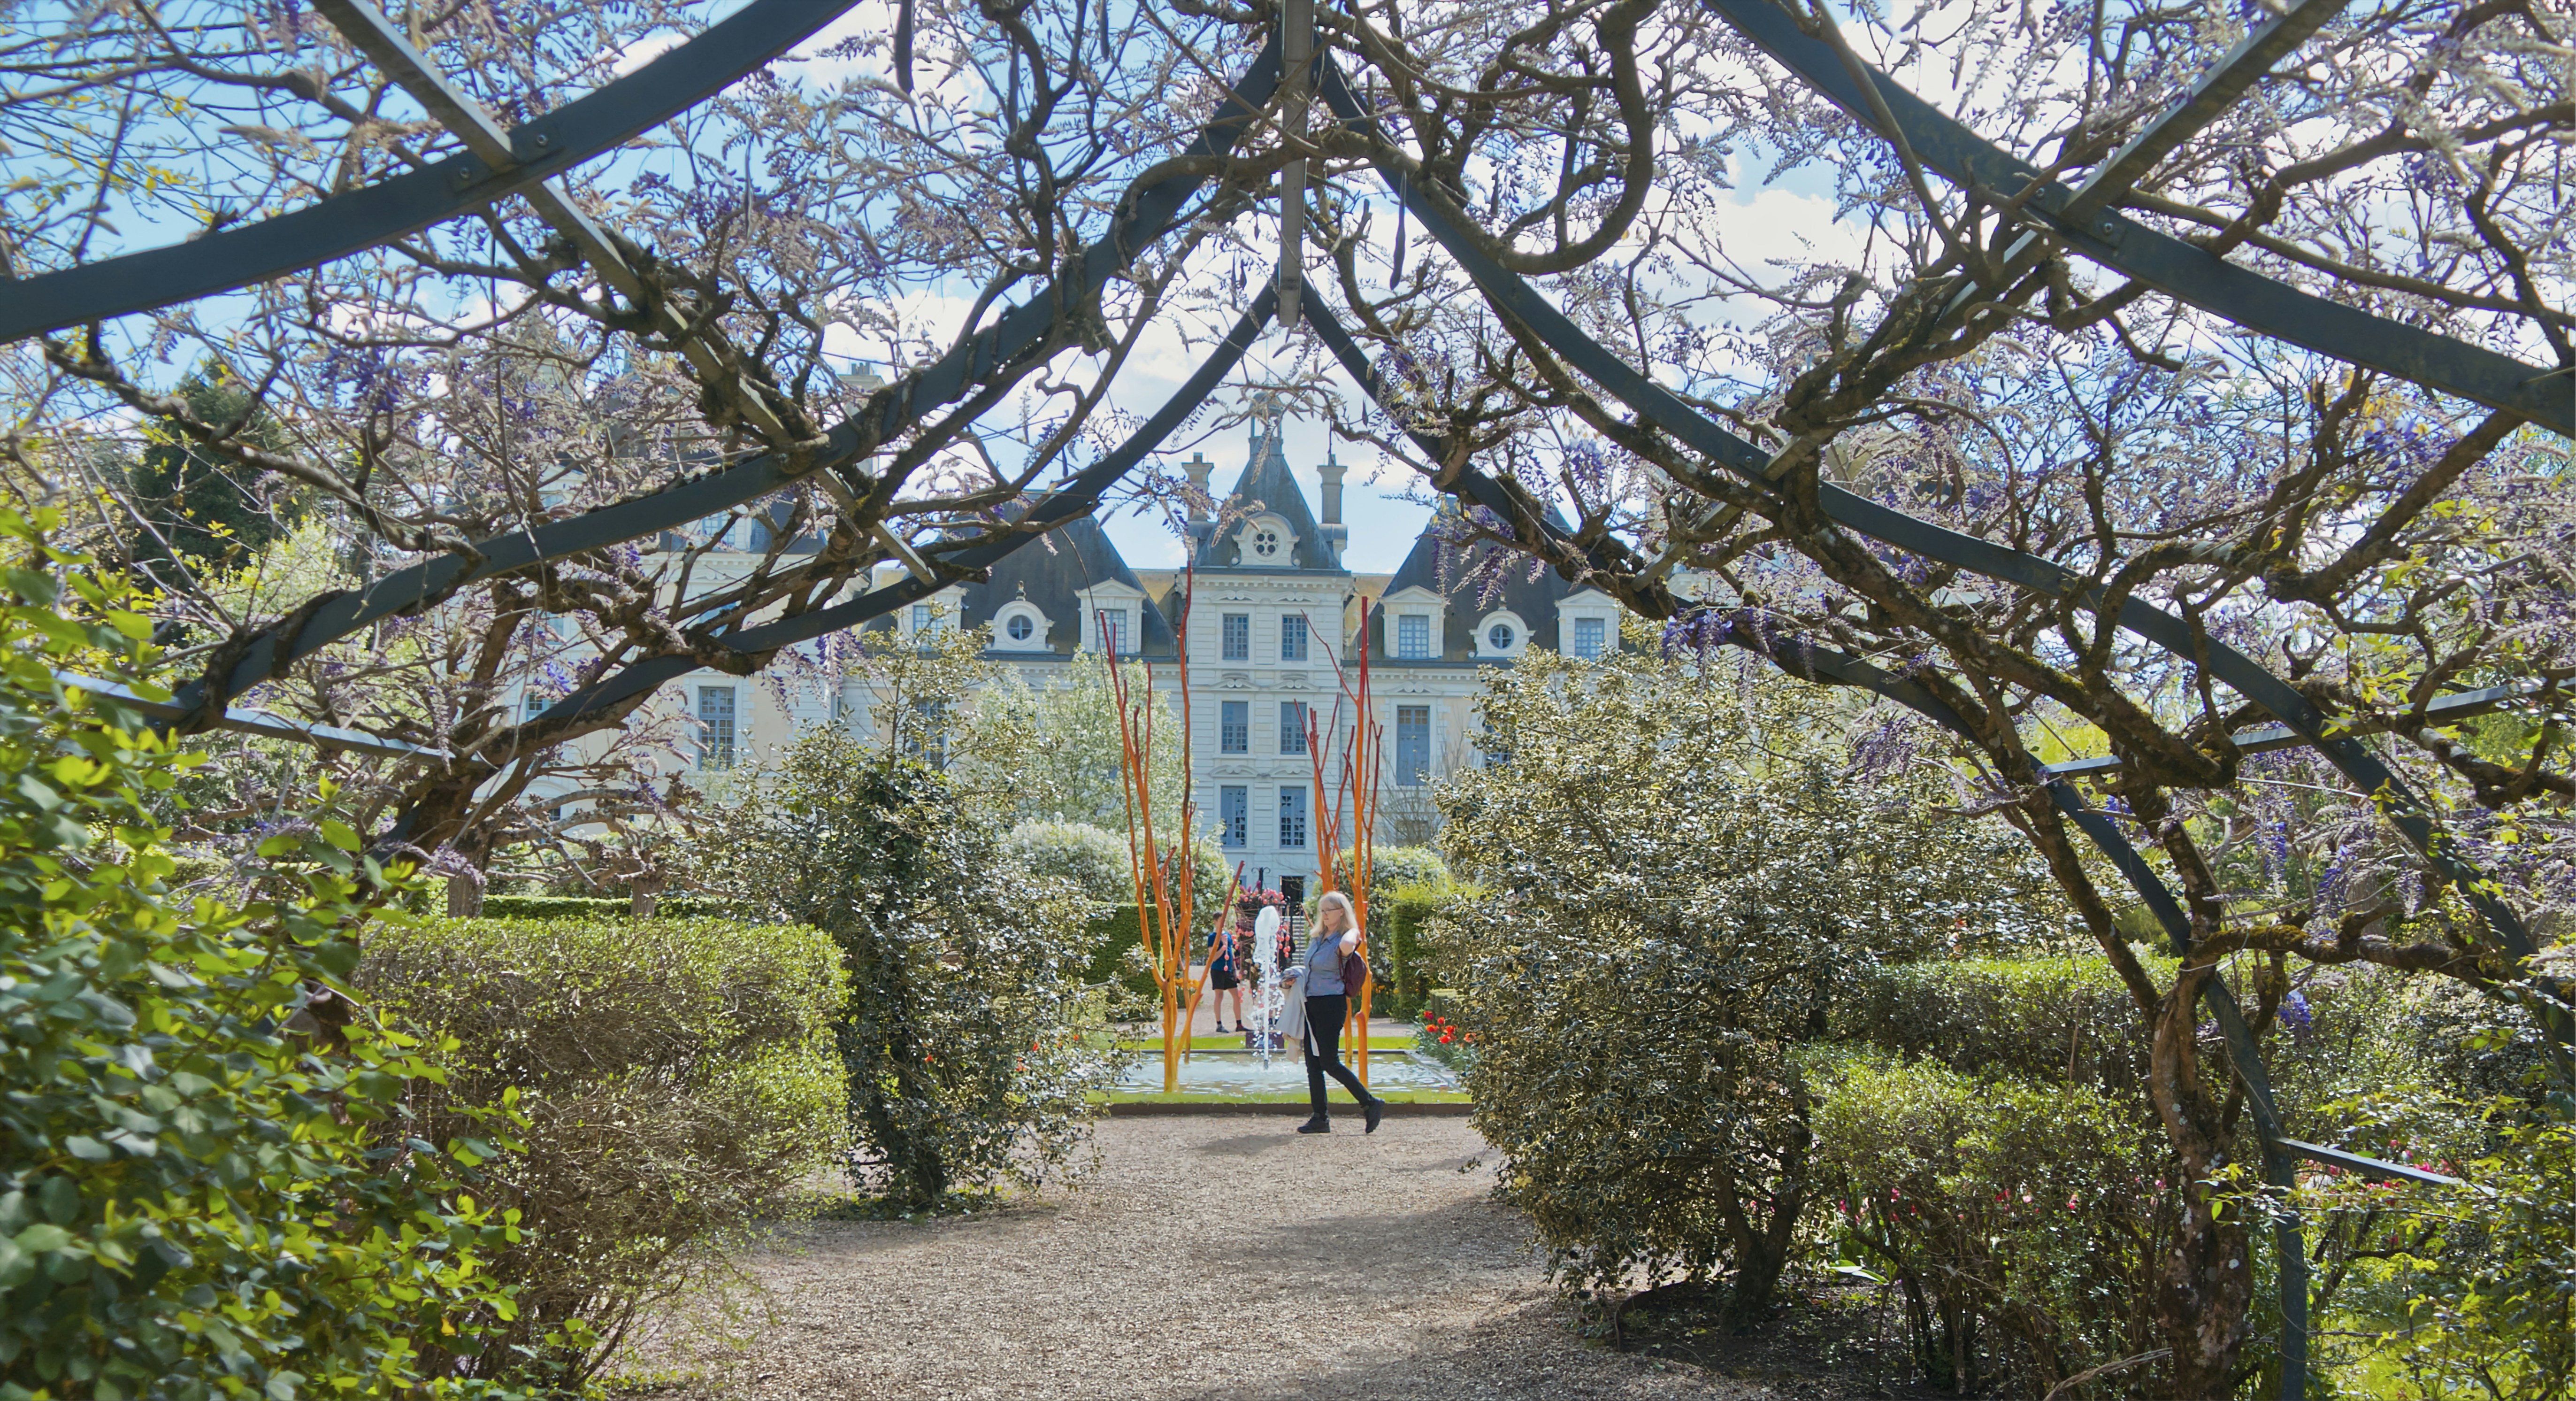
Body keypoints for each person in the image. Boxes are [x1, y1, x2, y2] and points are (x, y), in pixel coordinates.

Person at [1282, 890, 1384, 1134]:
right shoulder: (1317, 938)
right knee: (1313, 1064)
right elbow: (1311, 968)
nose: (1325, 915)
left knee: (1329, 1062)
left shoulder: (1345, 939)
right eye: (1322, 910)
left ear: (1342, 911)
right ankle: (1320, 1117)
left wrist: (1351, 926)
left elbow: (1351, 942)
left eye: (1330, 910)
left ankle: (1370, 1103)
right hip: (1311, 1004)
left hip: (1331, 1004)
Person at [1204, 920, 1245, 1032]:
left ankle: (1239, 1024)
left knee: (1236, 996)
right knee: (1219, 995)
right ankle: (1219, 1024)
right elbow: (1214, 957)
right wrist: (1224, 946)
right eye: (1221, 921)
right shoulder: (1213, 937)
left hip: (1229, 971)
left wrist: (1235, 971)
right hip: (1218, 970)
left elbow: (1231, 953)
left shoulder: (1228, 935)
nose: (1223, 923)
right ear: (1215, 922)